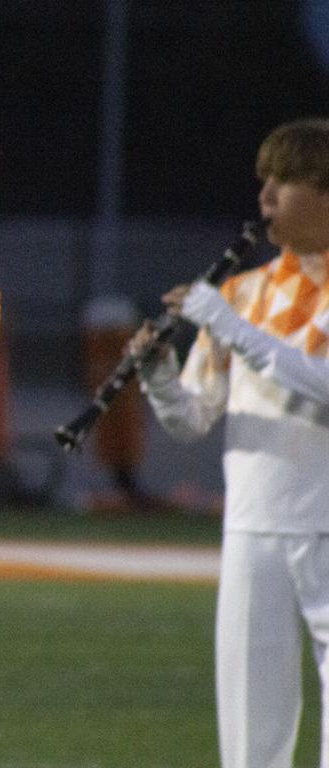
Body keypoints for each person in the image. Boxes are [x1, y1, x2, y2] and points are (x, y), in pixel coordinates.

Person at [131, 118, 329, 768]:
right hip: (253, 526)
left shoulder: (230, 308)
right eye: (262, 181)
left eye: (284, 181)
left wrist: (228, 325)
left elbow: (320, 383)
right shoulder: (242, 291)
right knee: (249, 730)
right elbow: (192, 419)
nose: (265, 196)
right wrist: (159, 373)